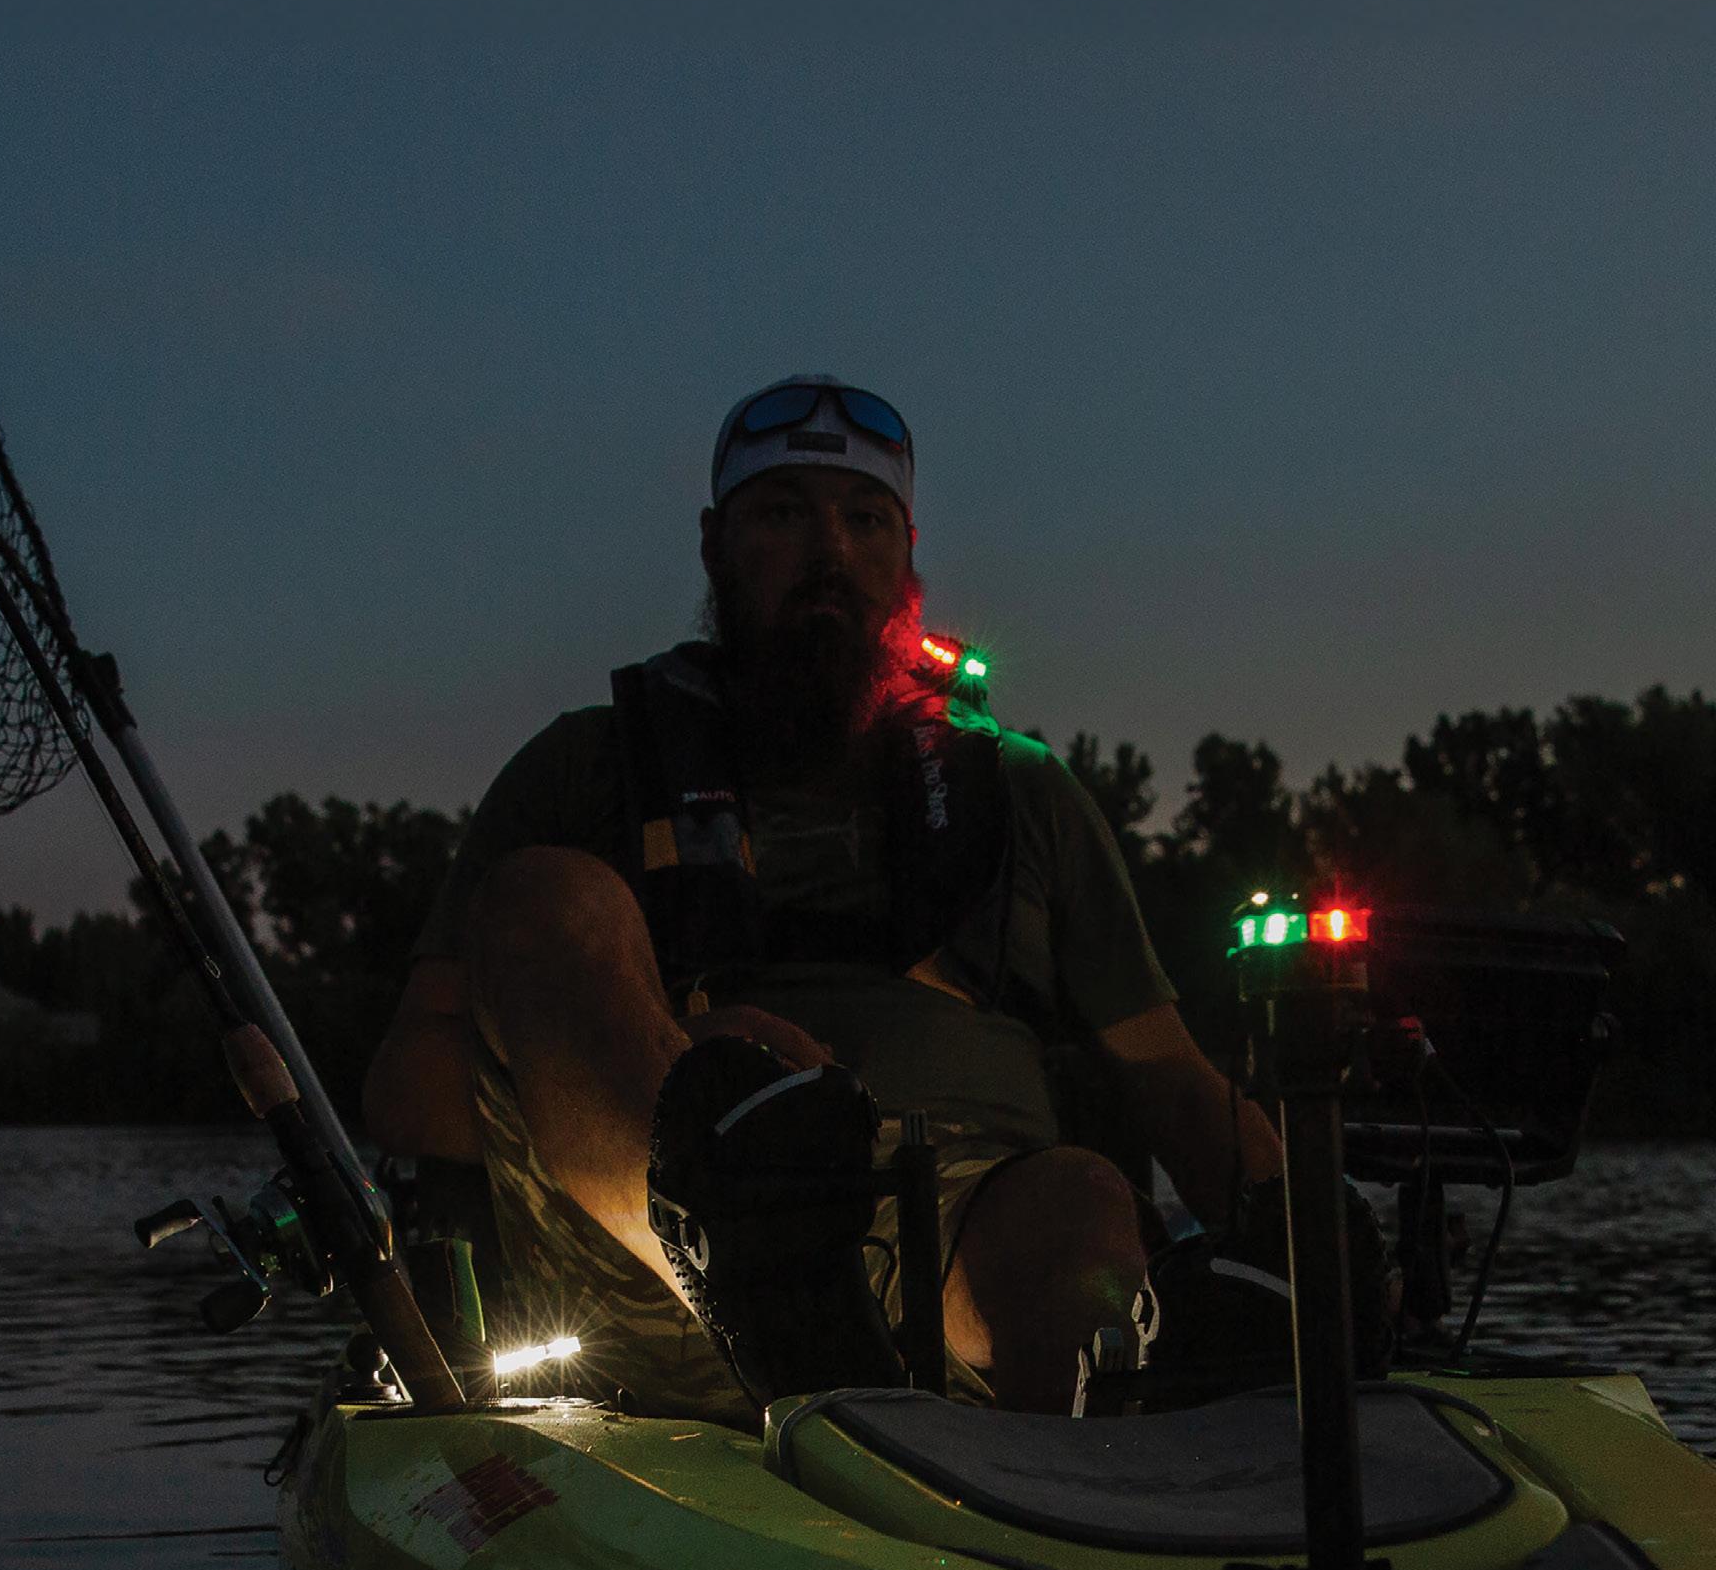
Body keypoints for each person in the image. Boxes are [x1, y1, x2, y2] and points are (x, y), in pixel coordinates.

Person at [362, 375, 1282, 1419]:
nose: (828, 552)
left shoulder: (1025, 790)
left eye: (863, 520)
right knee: (544, 893)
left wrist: (1318, 1239)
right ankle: (761, 1255)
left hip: (951, 1243)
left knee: (1077, 1203)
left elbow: (1171, 1079)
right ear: (716, 544)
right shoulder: (583, 767)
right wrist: (686, 1065)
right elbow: (407, 1085)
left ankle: (1061, 1480)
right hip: (647, 1268)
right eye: (783, 514)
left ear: (907, 553)